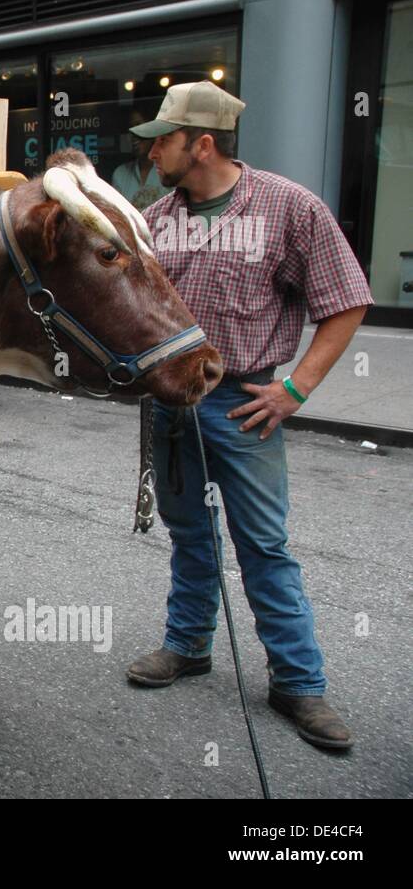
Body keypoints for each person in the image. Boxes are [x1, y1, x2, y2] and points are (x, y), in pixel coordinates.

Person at [125, 80, 372, 751]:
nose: (151, 157)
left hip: (243, 403)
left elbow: (346, 300)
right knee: (191, 536)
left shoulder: (292, 208)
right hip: (172, 403)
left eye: (162, 144)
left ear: (201, 144)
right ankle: (188, 645)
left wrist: (296, 388)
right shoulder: (157, 217)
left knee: (263, 545)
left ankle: (298, 682)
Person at [111, 110, 169, 209]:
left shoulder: (169, 170)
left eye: (138, 126)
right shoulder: (120, 174)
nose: (134, 135)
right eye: (130, 130)